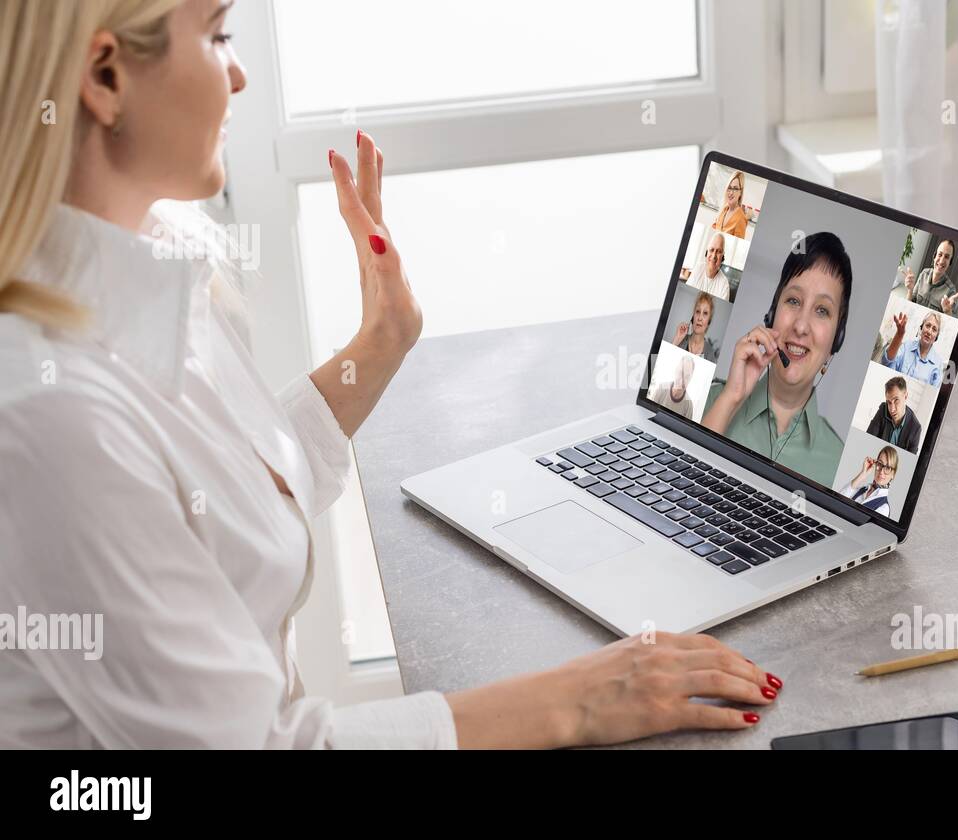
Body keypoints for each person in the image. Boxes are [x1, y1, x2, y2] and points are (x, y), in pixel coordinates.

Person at [0, 0, 781, 749]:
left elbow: (220, 497)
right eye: (218, 35)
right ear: (104, 77)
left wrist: (380, 343)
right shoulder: (47, 418)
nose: (239, 76)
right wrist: (582, 700)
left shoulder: (161, 256)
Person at [701, 232, 849, 487]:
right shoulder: (710, 399)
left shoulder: (840, 463)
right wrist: (731, 399)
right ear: (771, 316)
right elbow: (676, 481)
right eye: (793, 300)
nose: (801, 326)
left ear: (835, 342)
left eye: (822, 310)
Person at [881, 309, 947, 387]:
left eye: (934, 329)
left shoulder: (938, 364)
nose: (929, 332)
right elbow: (886, 363)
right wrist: (899, 334)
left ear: (936, 337)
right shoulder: (906, 347)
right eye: (928, 325)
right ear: (921, 328)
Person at [902, 238, 958, 314]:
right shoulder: (924, 273)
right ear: (934, 256)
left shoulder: (951, 290)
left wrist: (947, 311)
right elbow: (909, 304)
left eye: (946, 257)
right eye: (940, 254)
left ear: (950, 262)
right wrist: (910, 290)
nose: (942, 260)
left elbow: (947, 322)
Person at [865, 376, 922, 454]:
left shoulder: (915, 429)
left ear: (905, 396)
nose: (892, 409)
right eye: (889, 402)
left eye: (896, 400)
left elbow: (909, 462)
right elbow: (868, 440)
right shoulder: (883, 410)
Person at [839, 446, 899, 515]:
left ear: (893, 474)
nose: (881, 472)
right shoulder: (862, 490)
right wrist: (863, 474)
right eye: (880, 464)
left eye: (888, 468)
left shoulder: (883, 507)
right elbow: (838, 500)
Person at [680, 230, 731, 300]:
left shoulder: (724, 285)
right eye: (712, 250)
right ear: (707, 252)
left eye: (719, 251)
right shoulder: (698, 268)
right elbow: (685, 296)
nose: (714, 256)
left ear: (722, 257)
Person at [671, 291, 720, 363]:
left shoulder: (710, 354)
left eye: (705, 313)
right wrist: (676, 341)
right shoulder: (680, 341)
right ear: (693, 317)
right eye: (697, 311)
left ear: (709, 322)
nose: (700, 318)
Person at [649, 354, 696, 419]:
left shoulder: (689, 405)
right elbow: (649, 412)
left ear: (690, 379)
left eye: (687, 376)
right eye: (681, 372)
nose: (682, 381)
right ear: (676, 371)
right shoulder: (661, 388)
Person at [711, 170, 748, 238]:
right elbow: (713, 229)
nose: (731, 193)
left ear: (740, 192)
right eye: (729, 187)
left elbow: (738, 246)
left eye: (735, 188)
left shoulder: (741, 218)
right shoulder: (724, 209)